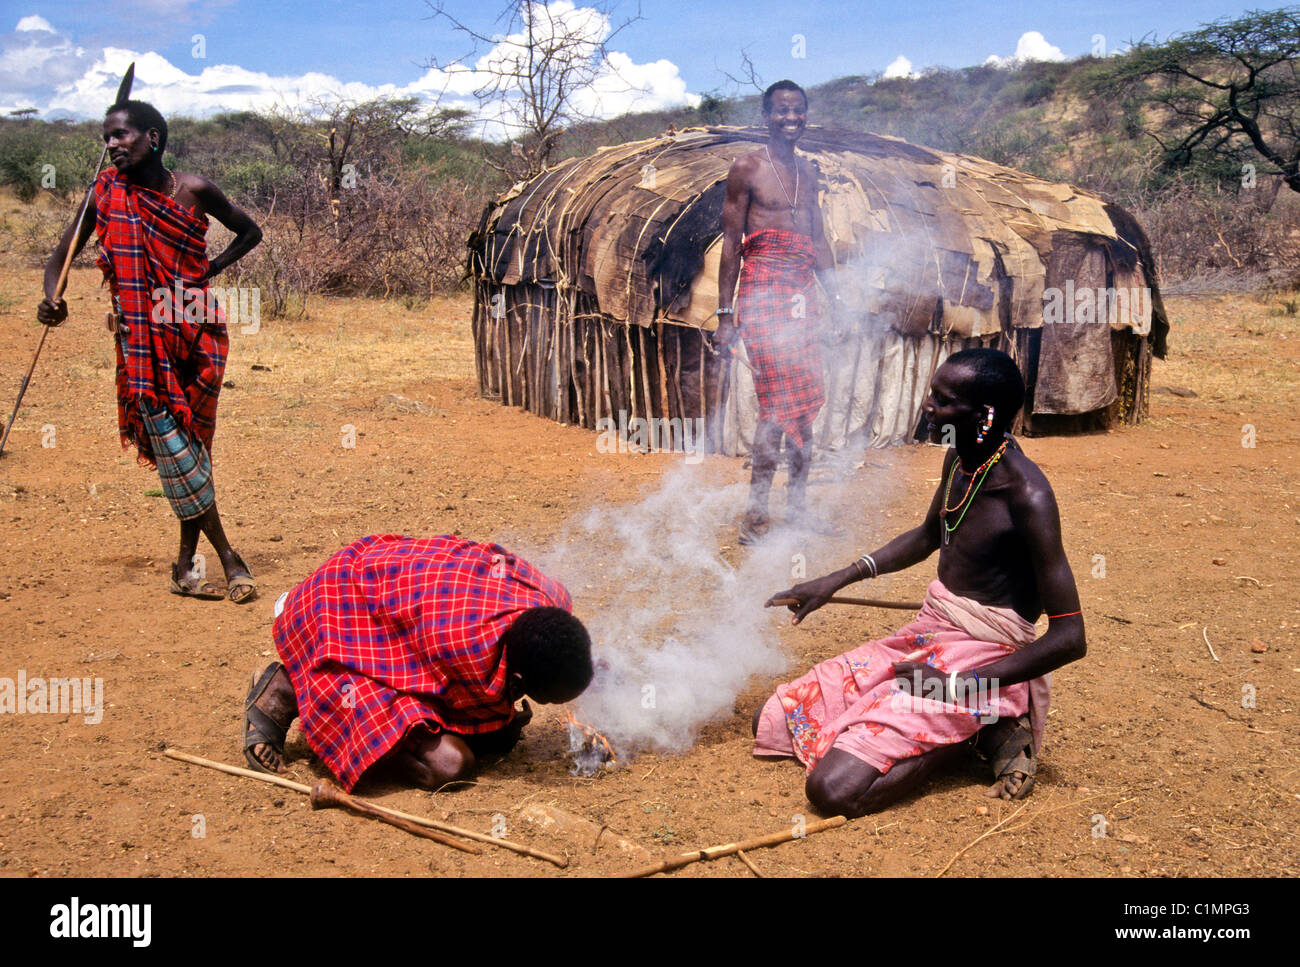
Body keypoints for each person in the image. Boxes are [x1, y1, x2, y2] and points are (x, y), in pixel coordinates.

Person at [757, 348, 1086, 817]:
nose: (928, 407)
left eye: (943, 399)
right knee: (775, 718)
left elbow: (1071, 638)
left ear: (984, 414)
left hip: (979, 659)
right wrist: (836, 579)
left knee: (832, 791)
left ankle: (965, 739)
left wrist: (954, 687)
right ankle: (974, 727)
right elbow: (931, 533)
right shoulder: (962, 457)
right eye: (933, 394)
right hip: (930, 638)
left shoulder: (1028, 494)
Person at [36, 99, 263, 603]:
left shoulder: (194, 189)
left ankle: (184, 565)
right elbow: (61, 256)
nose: (111, 145)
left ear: (153, 138)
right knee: (172, 444)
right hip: (141, 340)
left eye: (121, 135)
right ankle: (229, 558)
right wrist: (53, 297)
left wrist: (210, 271)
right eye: (106, 137)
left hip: (198, 332)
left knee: (193, 446)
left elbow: (250, 232)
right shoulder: (105, 195)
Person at [242, 534, 594, 791]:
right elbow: (457, 702)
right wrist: (499, 724)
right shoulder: (469, 651)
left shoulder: (552, 597)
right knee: (452, 765)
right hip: (340, 615)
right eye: (546, 697)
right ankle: (286, 689)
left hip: (392, 587)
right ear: (517, 675)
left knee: (495, 733)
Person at [712, 79, 846, 545]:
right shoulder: (746, 168)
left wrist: (841, 302)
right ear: (766, 116)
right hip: (763, 294)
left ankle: (799, 509)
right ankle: (755, 514)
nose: (792, 118)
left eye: (799, 110)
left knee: (804, 408)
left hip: (802, 296)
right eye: (783, 111)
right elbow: (731, 245)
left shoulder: (809, 173)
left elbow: (820, 242)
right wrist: (726, 315)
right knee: (776, 407)